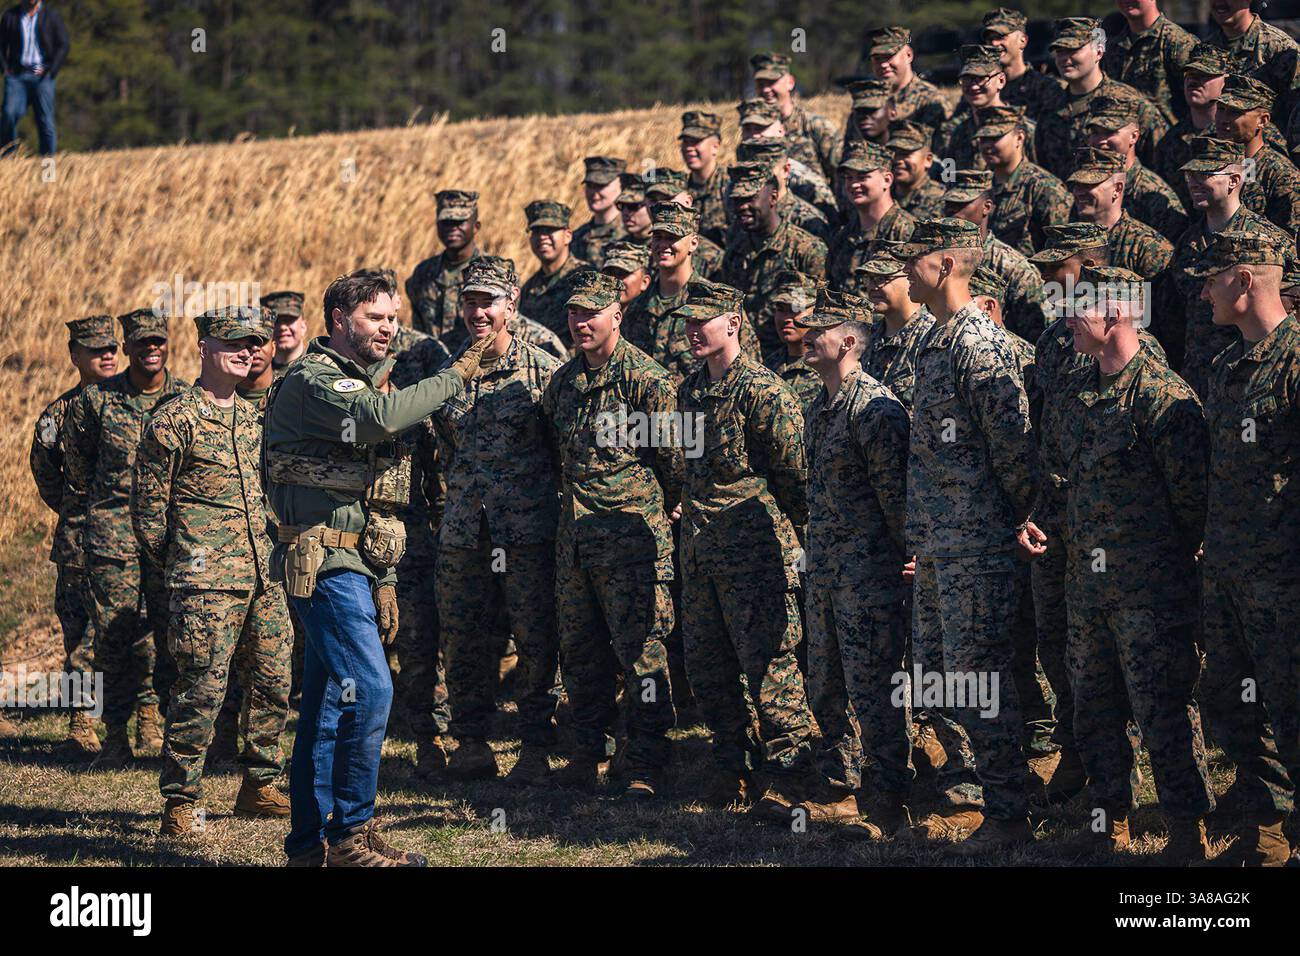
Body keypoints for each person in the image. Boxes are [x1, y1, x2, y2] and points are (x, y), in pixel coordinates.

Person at [264, 269, 490, 867]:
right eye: (375, 318)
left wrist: (384, 577)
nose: (389, 329)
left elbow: (374, 498)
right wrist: (457, 374)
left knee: (323, 704)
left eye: (393, 318)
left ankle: (309, 845)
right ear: (340, 321)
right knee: (371, 689)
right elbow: (379, 420)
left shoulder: (353, 380)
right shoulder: (316, 381)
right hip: (323, 562)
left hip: (350, 561)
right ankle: (351, 836)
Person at [1055, 267, 1215, 863]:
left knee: (1163, 708)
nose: (1067, 318)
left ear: (1115, 316)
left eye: (1078, 309)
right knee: (1093, 707)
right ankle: (1106, 823)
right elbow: (1061, 474)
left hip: (1149, 589)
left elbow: (1192, 500)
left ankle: (1185, 830)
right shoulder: (1078, 394)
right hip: (1087, 588)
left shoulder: (1162, 398)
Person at [897, 217, 1038, 853]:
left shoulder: (979, 346)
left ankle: (1008, 810)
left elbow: (1013, 451)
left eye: (916, 258)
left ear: (948, 265)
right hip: (939, 543)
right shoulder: (932, 341)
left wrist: (1012, 521)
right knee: (942, 676)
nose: (904, 268)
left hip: (978, 546)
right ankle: (985, 789)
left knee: (981, 678)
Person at [131, 306, 294, 837]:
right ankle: (182, 797)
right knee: (201, 688)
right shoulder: (173, 421)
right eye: (235, 344)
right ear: (204, 348)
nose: (249, 352)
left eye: (256, 344)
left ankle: (260, 784)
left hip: (264, 577)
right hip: (205, 583)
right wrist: (187, 565)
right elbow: (148, 513)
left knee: (273, 682)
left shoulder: (255, 419)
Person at [674, 279, 815, 816]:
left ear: (732, 323)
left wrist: (805, 548)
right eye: (686, 321)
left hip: (754, 554)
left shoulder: (763, 392)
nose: (691, 331)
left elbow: (796, 481)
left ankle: (790, 775)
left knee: (771, 666)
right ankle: (731, 763)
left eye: (702, 321)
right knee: (708, 666)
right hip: (702, 554)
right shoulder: (690, 389)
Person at [541, 270, 681, 798]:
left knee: (642, 653)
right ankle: (585, 754)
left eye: (591, 313)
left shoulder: (646, 379)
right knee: (580, 653)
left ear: (616, 316)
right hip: (575, 543)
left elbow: (673, 459)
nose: (580, 323)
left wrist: (664, 509)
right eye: (573, 314)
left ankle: (645, 760)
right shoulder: (564, 381)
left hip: (631, 544)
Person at [431, 258, 562, 785]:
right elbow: (445, 452)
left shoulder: (544, 373)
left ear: (512, 304)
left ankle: (534, 747)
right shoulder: (449, 376)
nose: (478, 311)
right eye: (470, 301)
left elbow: (560, 452)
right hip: (465, 533)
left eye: (489, 301)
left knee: (535, 640)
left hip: (526, 532)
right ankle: (470, 742)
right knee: (464, 640)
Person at [1195, 230, 1300, 866]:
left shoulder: (1297, 360)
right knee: (1231, 703)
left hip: (1284, 576)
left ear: (1244, 281)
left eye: (1211, 278)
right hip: (1231, 572)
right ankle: (1262, 827)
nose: (1202, 291)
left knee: (1293, 712)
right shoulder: (1226, 365)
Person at [797, 285, 912, 838]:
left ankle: (887, 796)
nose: (804, 336)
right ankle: (842, 787)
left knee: (876, 688)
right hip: (825, 571)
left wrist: (904, 558)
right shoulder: (818, 405)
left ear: (847, 343)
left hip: (869, 575)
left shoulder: (875, 409)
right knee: (827, 684)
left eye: (817, 331)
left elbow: (895, 499)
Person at [65, 308, 189, 768]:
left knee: (172, 636)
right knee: (113, 637)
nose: (151, 349)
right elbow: (77, 471)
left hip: (168, 539)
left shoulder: (185, 398)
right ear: (128, 346)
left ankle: (169, 734)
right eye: (142, 342)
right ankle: (114, 733)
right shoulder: (96, 402)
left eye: (158, 341)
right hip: (112, 537)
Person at [29, 314, 118, 757]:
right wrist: (79, 511)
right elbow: (46, 477)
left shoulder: (138, 404)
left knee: (140, 633)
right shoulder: (57, 415)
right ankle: (83, 722)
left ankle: (144, 721)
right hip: (80, 543)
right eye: (95, 349)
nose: (106, 355)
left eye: (111, 348)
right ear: (74, 356)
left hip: (135, 540)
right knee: (80, 634)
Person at [1170, 134, 1293, 398]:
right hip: (1198, 378)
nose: (1193, 182)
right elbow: (1175, 314)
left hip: (1250, 380)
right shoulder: (1188, 242)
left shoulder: (1269, 243)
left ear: (1234, 180)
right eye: (1190, 174)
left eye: (1204, 174)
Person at [1035, 17, 1168, 180]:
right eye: (1060, 51)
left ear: (1098, 52)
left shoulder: (1127, 102)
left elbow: (1163, 161)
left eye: (1073, 50)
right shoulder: (1051, 105)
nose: (1064, 58)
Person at [722, 160, 827, 355]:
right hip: (745, 356)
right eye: (737, 200)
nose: (742, 206)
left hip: (794, 356)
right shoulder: (735, 252)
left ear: (773, 198)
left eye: (750, 198)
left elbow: (822, 313)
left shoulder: (806, 249)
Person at [942, 169, 1053, 343]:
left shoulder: (1014, 267)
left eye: (962, 203)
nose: (952, 210)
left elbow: (1037, 336)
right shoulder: (935, 260)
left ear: (986, 207)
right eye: (949, 203)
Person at [1085, 95, 1189, 239]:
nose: (1101, 141)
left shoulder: (1154, 195)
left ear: (1134, 136)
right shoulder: (1085, 189)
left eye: (1110, 132)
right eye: (1095, 133)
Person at [1066, 146, 1174, 281]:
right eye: (1076, 185)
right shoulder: (1067, 241)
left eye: (1089, 185)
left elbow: (1158, 301)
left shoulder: (1149, 249)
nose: (1078, 192)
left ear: (1117, 189)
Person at [1215, 74, 1300, 239]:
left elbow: (1290, 243)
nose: (1223, 119)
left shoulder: (1282, 175)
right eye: (1221, 109)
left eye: (1234, 112)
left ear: (1263, 120)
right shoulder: (1214, 166)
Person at [977, 105, 1071, 255]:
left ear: (1019, 138)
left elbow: (1061, 251)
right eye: (983, 139)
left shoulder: (1045, 188)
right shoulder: (978, 186)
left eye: (995, 138)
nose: (987, 146)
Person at [827, 142, 915, 296]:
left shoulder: (906, 231)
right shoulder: (844, 236)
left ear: (887, 180)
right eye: (849, 178)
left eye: (862, 177)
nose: (854, 184)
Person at [1100, 0, 1196, 127]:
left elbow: (1198, 102)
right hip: (1121, 139)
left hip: (1164, 141)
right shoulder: (1113, 45)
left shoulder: (1178, 42)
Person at [405, 190, 482, 346]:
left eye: (459, 222)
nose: (452, 228)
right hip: (432, 367)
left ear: (476, 226)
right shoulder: (423, 273)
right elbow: (418, 332)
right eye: (446, 222)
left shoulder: (493, 271)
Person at [749, 51, 839, 181]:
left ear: (790, 82)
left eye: (771, 82)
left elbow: (842, 177)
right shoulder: (752, 133)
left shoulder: (816, 127)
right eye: (761, 84)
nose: (766, 90)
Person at [0, 0, 69, 156]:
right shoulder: (10, 16)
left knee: (46, 123)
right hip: (17, 75)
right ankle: (8, 162)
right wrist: (5, 69)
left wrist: (52, 70)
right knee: (8, 114)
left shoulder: (52, 16)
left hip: (42, 74)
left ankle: (48, 171)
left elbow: (63, 44)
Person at [519, 200, 589, 342]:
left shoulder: (585, 278)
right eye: (537, 231)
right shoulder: (529, 288)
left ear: (568, 235)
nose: (543, 237)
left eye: (550, 230)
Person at [863, 27, 948, 136]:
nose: (883, 65)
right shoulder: (866, 102)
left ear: (909, 55)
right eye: (877, 59)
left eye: (889, 57)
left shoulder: (930, 101)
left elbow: (941, 150)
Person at [980, 7, 1061, 121]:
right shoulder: (980, 87)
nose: (994, 43)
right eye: (989, 39)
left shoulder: (1045, 88)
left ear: (1023, 41)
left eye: (1001, 37)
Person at [763, 269, 822, 412]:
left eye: (795, 310)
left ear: (816, 312)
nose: (786, 319)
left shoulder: (826, 366)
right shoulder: (768, 367)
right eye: (781, 310)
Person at [680, 111, 728, 246]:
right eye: (685, 142)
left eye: (695, 142)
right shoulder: (679, 189)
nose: (688, 148)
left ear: (715, 146)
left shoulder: (730, 186)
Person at [571, 156, 628, 264]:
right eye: (590, 185)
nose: (594, 192)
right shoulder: (576, 238)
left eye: (601, 185)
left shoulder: (629, 234)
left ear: (622, 186)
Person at [887, 120, 943, 220]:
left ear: (928, 160)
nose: (897, 160)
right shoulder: (882, 196)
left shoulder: (940, 202)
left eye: (905, 154)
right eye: (893, 153)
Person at [262, 291, 308, 376]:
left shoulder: (315, 368)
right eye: (275, 321)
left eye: (288, 320)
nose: (282, 327)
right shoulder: (259, 372)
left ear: (303, 326)